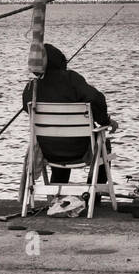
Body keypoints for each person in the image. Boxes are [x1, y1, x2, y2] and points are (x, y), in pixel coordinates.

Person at [22, 43, 112, 185]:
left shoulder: (31, 88)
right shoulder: (71, 79)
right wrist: (105, 121)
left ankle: (57, 193)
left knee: (58, 138)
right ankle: (94, 192)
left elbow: (27, 108)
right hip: (79, 149)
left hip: (48, 151)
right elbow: (96, 99)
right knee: (104, 144)